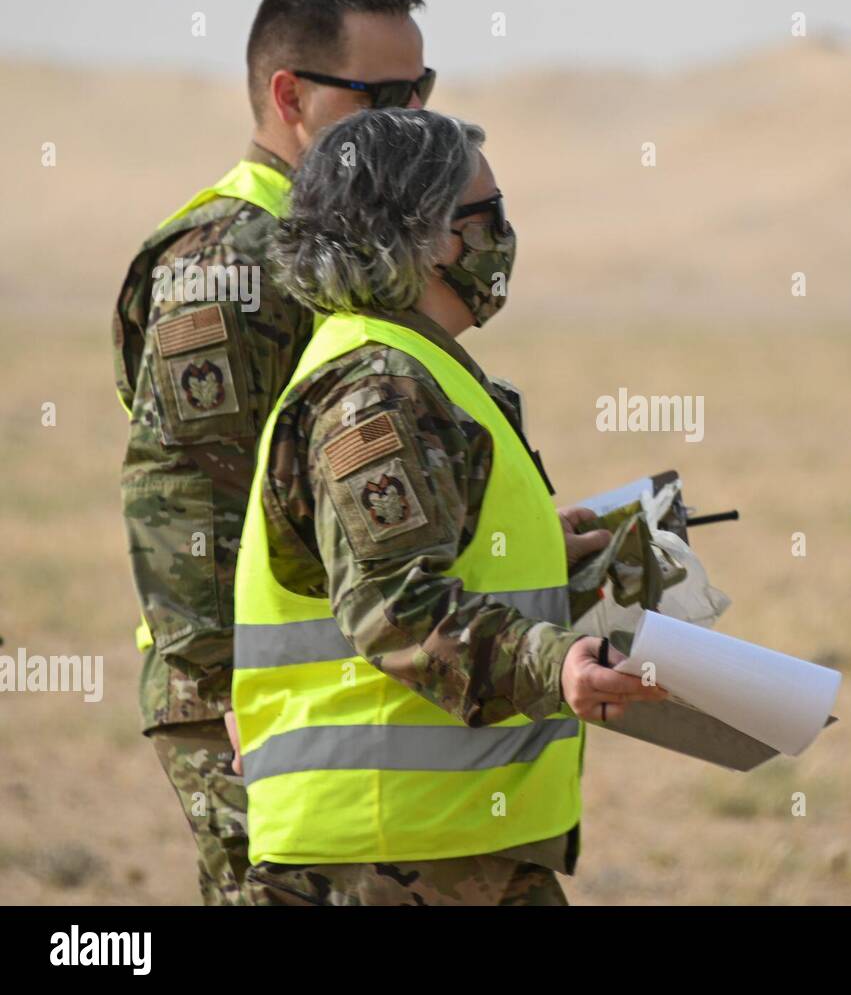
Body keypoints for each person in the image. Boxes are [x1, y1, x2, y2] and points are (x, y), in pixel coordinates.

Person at [232, 107, 667, 906]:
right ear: (428, 237)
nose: (506, 236)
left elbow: (413, 555)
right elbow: (395, 605)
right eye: (488, 215)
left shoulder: (419, 369)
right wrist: (555, 663)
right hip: (389, 857)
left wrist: (542, 544)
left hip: (449, 847)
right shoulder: (377, 389)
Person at [112, 0, 432, 905]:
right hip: (246, 701)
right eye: (383, 97)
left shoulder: (330, 241)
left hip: (321, 685)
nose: (412, 122)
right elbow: (190, 501)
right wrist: (235, 693)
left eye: (423, 93)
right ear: (289, 96)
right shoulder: (230, 261)